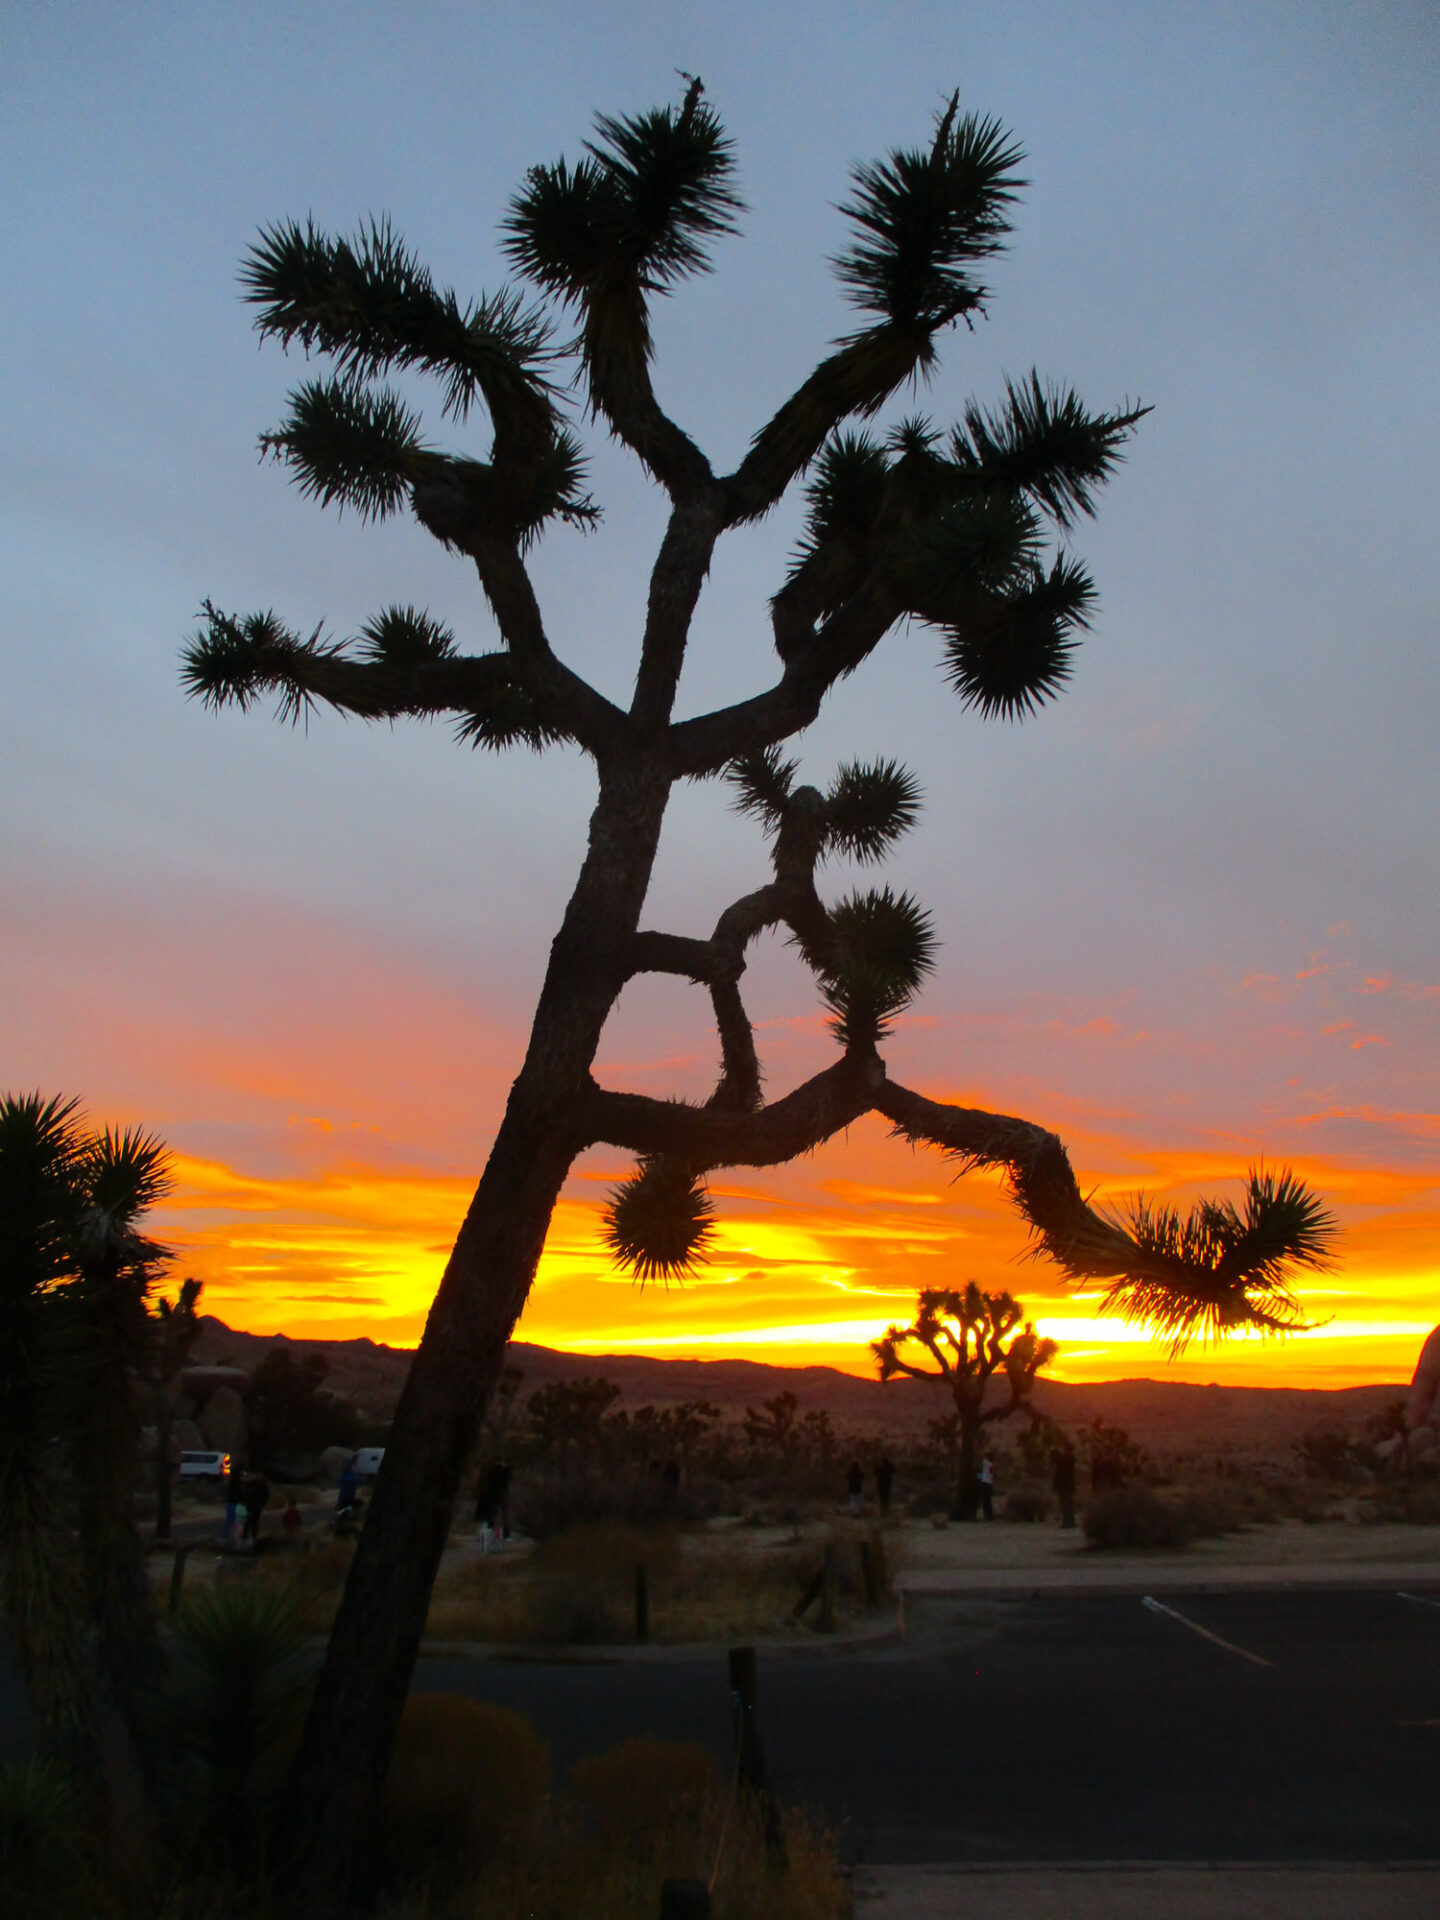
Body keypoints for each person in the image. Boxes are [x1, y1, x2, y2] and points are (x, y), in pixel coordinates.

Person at [1052, 1440, 1078, 1529]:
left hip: (1064, 1484)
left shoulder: (1066, 1459)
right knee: (1068, 1504)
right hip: (1067, 1484)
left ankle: (1068, 1521)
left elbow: (1055, 1461)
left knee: (1066, 1504)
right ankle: (1069, 1521)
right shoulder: (1069, 1459)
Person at [242, 1473, 270, 1543]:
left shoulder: (257, 1484)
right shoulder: (255, 1484)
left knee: (251, 1521)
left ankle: (249, 1537)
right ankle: (249, 1537)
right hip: (253, 1505)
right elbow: (266, 1495)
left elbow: (266, 1495)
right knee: (251, 1522)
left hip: (254, 1505)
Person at [977, 1452, 995, 1521]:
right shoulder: (991, 1465)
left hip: (985, 1483)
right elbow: (983, 1473)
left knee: (984, 1500)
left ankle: (987, 1515)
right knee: (988, 1500)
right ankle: (989, 1516)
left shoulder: (986, 1463)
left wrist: (978, 1478)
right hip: (989, 1483)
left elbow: (981, 1472)